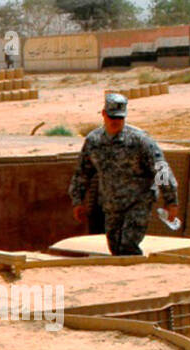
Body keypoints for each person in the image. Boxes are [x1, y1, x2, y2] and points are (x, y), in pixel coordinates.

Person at [69, 92, 179, 256]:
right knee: (115, 247)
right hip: (112, 205)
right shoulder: (94, 141)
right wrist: (77, 200)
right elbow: (82, 173)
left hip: (139, 202)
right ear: (104, 114)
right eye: (112, 117)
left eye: (120, 118)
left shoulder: (139, 140)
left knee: (128, 245)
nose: (115, 122)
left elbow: (161, 168)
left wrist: (171, 200)